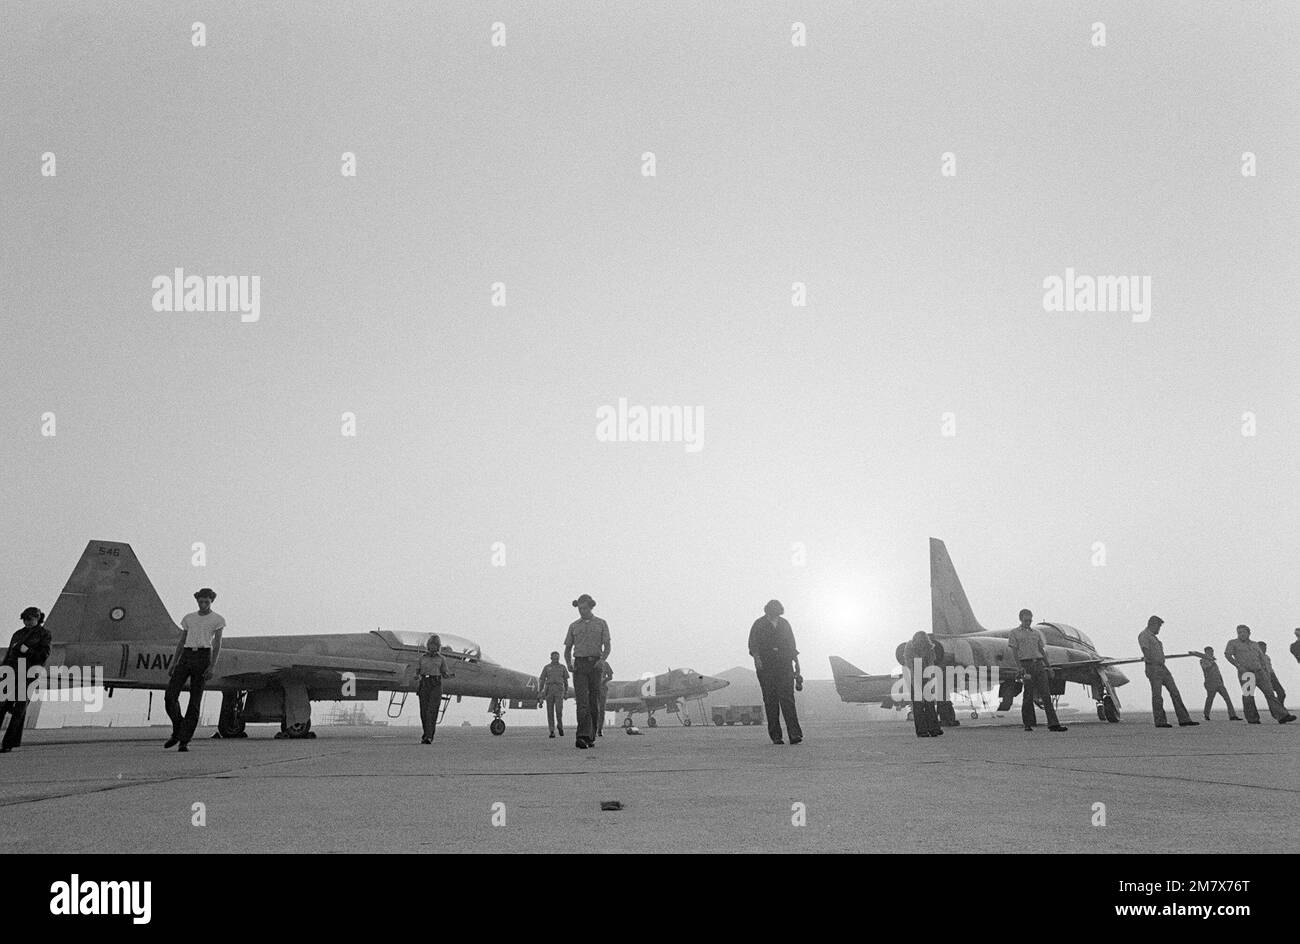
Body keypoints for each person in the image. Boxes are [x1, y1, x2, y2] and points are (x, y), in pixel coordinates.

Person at [164, 588, 224, 752]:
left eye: (207, 602)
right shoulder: (189, 618)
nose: (203, 604)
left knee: (194, 701)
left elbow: (217, 644)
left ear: (212, 601)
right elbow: (182, 641)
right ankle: (178, 728)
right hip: (186, 656)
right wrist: (174, 662)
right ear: (197, 601)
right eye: (200, 601)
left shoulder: (217, 620)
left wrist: (212, 666)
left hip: (203, 657)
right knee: (170, 696)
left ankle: (184, 740)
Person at [747, 600, 803, 745]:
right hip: (766, 667)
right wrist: (757, 659)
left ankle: (794, 734)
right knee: (771, 701)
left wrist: (796, 665)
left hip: (785, 665)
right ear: (767, 610)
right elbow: (753, 645)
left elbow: (792, 645)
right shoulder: (759, 624)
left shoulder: (784, 624)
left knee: (788, 700)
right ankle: (776, 736)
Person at [0, 608, 53, 753]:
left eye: (30, 619)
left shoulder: (44, 634)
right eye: (25, 619)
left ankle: (8, 744)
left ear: (37, 619)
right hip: (11, 673)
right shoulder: (17, 634)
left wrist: (27, 651)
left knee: (19, 710)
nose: (27, 622)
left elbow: (43, 656)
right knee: (2, 707)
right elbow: (9, 655)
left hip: (29, 674)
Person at [1007, 609, 1067, 732]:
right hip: (1026, 665)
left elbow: (1041, 650)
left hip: (1039, 664)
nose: (1028, 622)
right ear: (1020, 619)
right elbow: (1014, 652)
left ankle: (1053, 724)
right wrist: (1020, 668)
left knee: (1046, 694)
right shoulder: (1014, 633)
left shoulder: (1036, 633)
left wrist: (1048, 667)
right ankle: (1028, 724)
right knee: (1028, 695)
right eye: (1026, 620)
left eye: (1030, 620)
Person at [564, 594, 610, 749]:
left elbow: (607, 646)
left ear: (591, 607)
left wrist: (602, 660)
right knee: (582, 702)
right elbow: (567, 649)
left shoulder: (601, 624)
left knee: (593, 702)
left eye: (584, 608)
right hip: (579, 666)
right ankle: (582, 736)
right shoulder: (574, 626)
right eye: (579, 609)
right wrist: (569, 664)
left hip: (595, 666)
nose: (581, 611)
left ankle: (591, 736)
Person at [1224, 625, 1295, 724]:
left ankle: (1282, 716)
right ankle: (1252, 719)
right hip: (1246, 673)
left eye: (1243, 632)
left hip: (1259, 672)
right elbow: (1227, 655)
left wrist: (1266, 671)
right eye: (1239, 632)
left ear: (1249, 633)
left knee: (1270, 694)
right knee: (1248, 696)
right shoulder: (1233, 643)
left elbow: (1262, 658)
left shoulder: (1255, 644)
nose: (1241, 634)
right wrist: (1238, 666)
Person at [1137, 616, 1197, 728]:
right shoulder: (1144, 635)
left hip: (1162, 667)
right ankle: (1160, 721)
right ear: (1153, 625)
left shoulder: (1153, 637)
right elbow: (1146, 651)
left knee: (1175, 692)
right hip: (1154, 668)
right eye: (1158, 627)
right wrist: (1151, 662)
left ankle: (1184, 719)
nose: (1159, 629)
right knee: (1157, 696)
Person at [902, 631, 942, 737]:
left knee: (926, 705)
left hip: (924, 677)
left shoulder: (927, 648)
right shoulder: (917, 648)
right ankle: (926, 730)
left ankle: (930, 729)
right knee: (921, 705)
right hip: (915, 677)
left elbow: (931, 664)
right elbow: (910, 664)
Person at [417, 635, 454, 743]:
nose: (433, 647)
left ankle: (429, 736)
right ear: (428, 646)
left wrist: (448, 675)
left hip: (436, 684)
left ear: (438, 647)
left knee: (431, 712)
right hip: (424, 684)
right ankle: (425, 735)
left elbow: (444, 672)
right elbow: (417, 670)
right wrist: (417, 676)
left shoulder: (441, 659)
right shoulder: (422, 658)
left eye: (435, 645)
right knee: (423, 712)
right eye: (431, 645)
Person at [1195, 647, 1241, 720]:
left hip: (1219, 683)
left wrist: (1221, 681)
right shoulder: (1203, 660)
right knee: (1210, 699)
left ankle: (1232, 715)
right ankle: (1206, 715)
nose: (1212, 652)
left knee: (1227, 699)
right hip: (1210, 683)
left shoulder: (1213, 660)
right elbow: (1206, 667)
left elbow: (1218, 673)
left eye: (1212, 651)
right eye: (1210, 651)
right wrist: (1210, 660)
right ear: (1206, 652)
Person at [538, 651, 568, 738]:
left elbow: (566, 681)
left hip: (559, 690)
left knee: (559, 711)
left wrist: (566, 692)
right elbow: (542, 680)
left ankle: (560, 725)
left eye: (557, 658)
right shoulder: (547, 668)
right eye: (554, 658)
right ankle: (551, 731)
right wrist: (540, 692)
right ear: (551, 658)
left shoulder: (562, 667)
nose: (556, 659)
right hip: (549, 690)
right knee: (550, 711)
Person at [597, 659, 613, 736]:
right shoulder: (590, 663)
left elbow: (610, 676)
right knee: (593, 709)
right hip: (592, 688)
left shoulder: (605, 664)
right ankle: (593, 728)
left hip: (602, 688)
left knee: (602, 710)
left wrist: (604, 680)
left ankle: (600, 728)